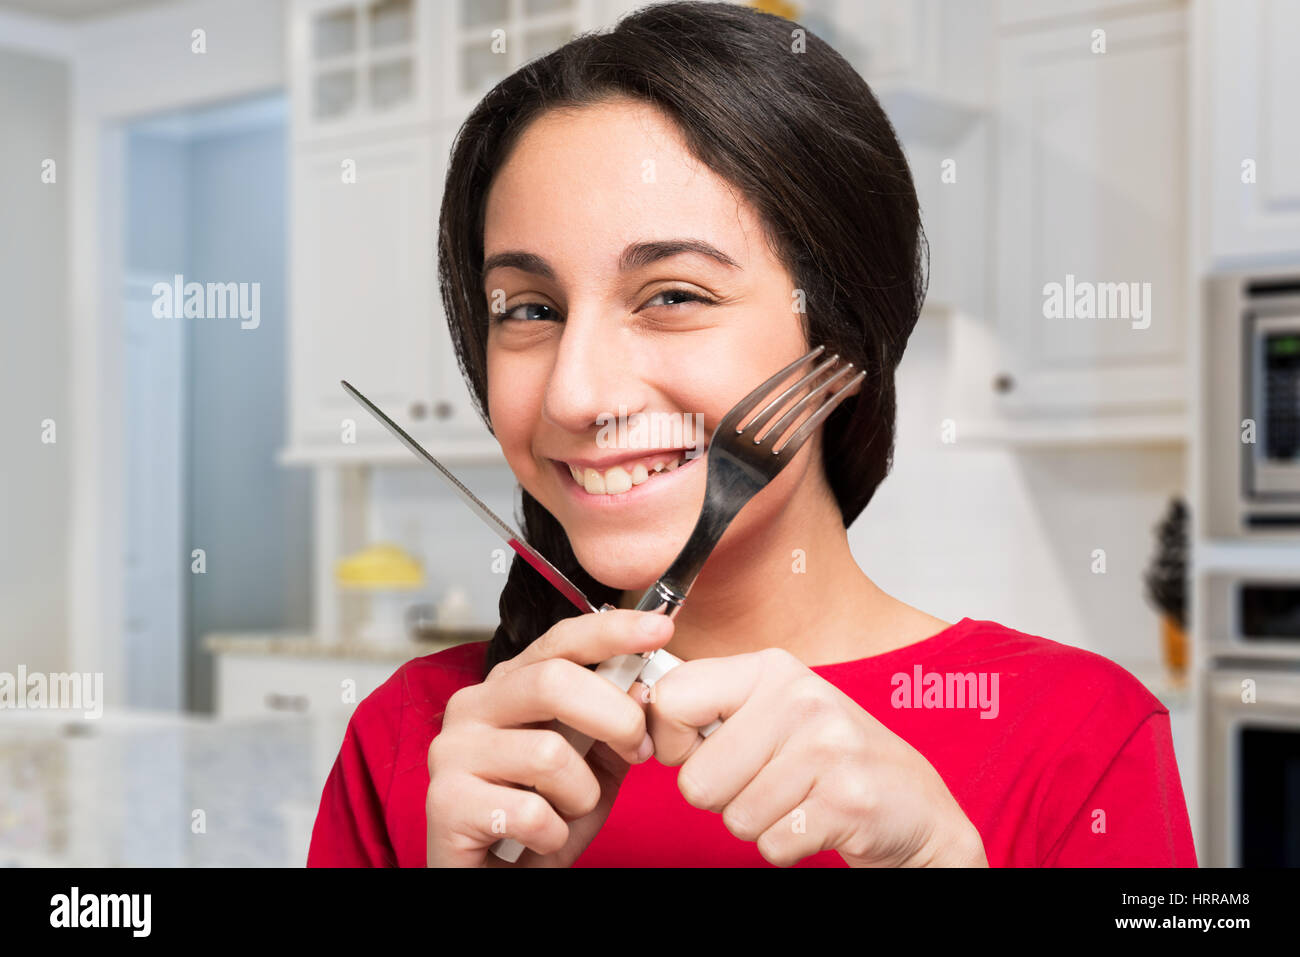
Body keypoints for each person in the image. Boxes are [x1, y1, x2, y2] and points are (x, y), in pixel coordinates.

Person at [308, 0, 1196, 868]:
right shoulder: (417, 739)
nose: (576, 393)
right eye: (532, 309)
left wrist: (940, 860)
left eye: (674, 296)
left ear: (837, 333)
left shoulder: (1081, 735)